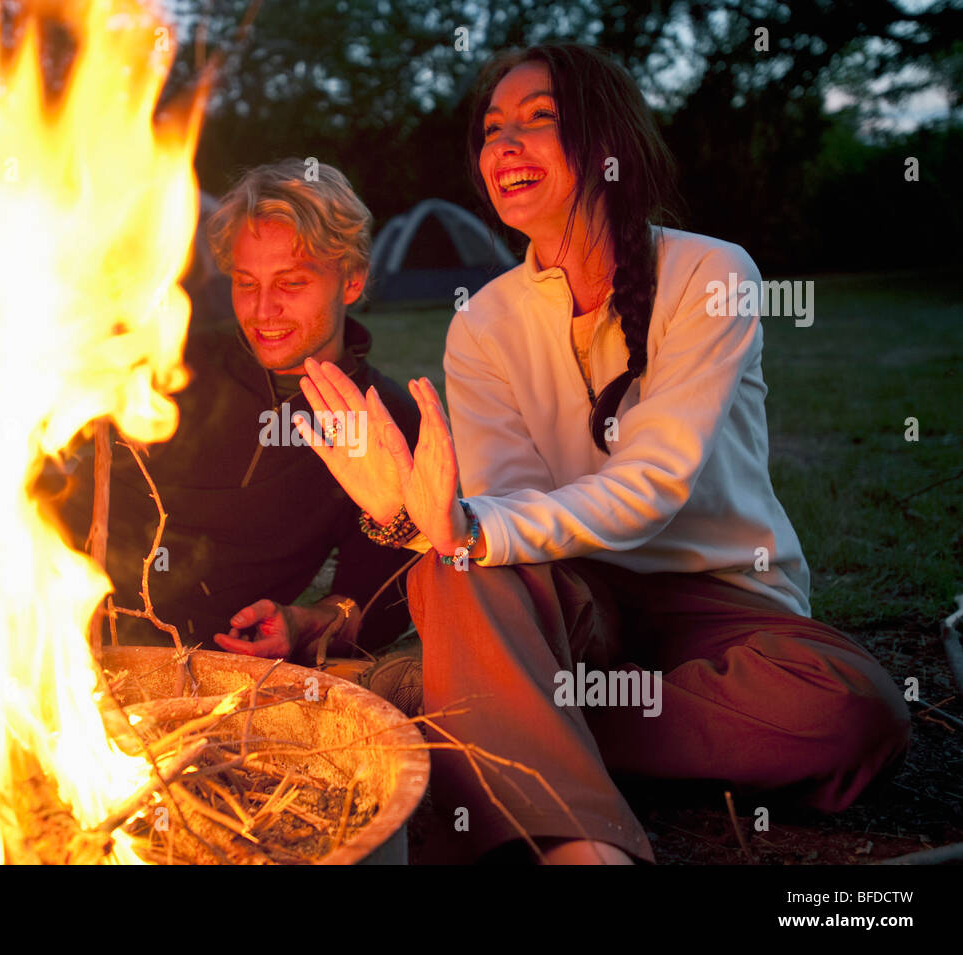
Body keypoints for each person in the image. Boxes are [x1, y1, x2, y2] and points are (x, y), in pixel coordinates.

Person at [295, 43, 910, 864]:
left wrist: (469, 533)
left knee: (856, 710)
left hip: (720, 609)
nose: (504, 145)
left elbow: (652, 483)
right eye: (491, 129)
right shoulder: (482, 323)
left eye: (539, 120)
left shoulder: (710, 274)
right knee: (455, 568)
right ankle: (581, 841)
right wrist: (407, 515)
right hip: (576, 601)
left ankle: (485, 718)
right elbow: (497, 518)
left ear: (608, 140)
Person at [65, 159, 421, 666]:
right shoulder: (175, 364)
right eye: (246, 282)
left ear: (352, 281)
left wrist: (302, 624)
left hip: (197, 669)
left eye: (291, 283)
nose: (262, 310)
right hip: (50, 614)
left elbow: (373, 604)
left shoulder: (383, 420)